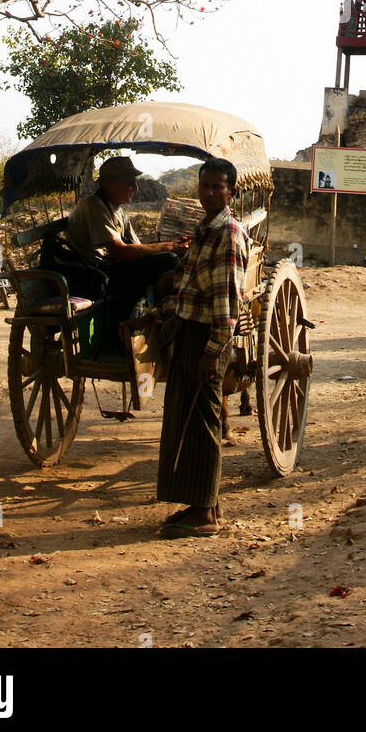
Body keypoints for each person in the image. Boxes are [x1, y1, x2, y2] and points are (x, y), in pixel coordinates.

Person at [157, 158, 249, 535]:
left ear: (230, 191)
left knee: (204, 421)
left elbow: (227, 303)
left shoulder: (227, 233)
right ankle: (202, 502)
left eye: (218, 187)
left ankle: (205, 515)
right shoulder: (203, 229)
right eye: (205, 186)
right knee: (188, 419)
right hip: (189, 331)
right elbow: (189, 286)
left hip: (207, 337)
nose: (209, 193)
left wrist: (213, 353)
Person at [66, 155, 190, 336]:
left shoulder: (117, 209)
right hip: (95, 275)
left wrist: (173, 245)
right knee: (169, 261)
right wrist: (169, 247)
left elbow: (137, 248)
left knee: (173, 259)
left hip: (111, 269)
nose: (135, 188)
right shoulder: (93, 206)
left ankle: (160, 319)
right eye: (130, 183)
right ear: (109, 184)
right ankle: (157, 324)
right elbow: (122, 251)